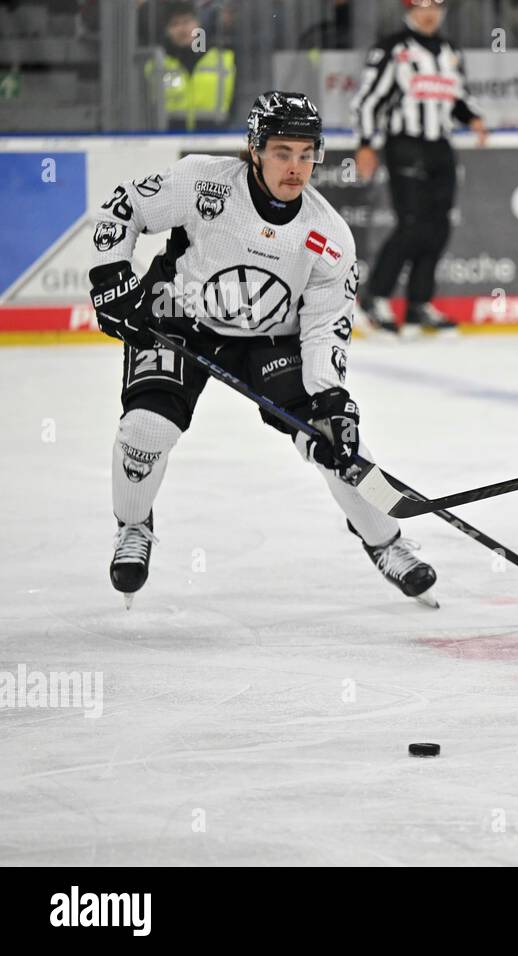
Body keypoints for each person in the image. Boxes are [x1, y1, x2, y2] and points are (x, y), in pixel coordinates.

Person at [87, 91, 439, 608]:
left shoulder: (328, 236)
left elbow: (324, 325)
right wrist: (113, 280)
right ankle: (133, 526)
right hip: (182, 319)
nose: (296, 167)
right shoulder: (202, 181)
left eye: (306, 153)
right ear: (254, 149)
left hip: (271, 339)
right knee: (146, 428)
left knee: (337, 441)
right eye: (282, 152)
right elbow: (123, 210)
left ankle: (387, 543)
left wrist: (331, 399)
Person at [351, 0, 489, 334]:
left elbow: (457, 97)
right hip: (406, 144)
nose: (428, 14)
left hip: (441, 146)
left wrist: (474, 118)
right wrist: (366, 144)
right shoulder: (393, 49)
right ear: (408, 11)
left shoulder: (449, 51)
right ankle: (374, 298)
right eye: (421, 7)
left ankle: (418, 304)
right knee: (411, 224)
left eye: (435, 7)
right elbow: (369, 100)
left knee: (438, 227)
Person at [142, 0, 236, 131]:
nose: (182, 29)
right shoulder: (155, 65)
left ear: (199, 24)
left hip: (218, 139)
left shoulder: (224, 58)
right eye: (175, 24)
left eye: (187, 21)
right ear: (167, 31)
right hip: (168, 140)